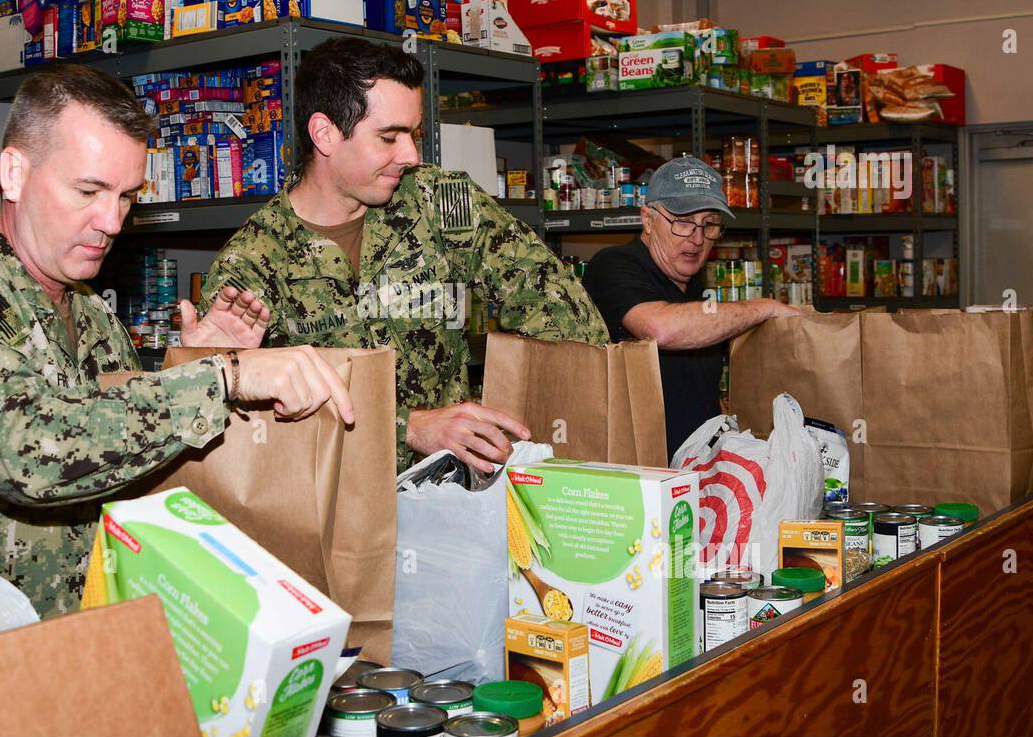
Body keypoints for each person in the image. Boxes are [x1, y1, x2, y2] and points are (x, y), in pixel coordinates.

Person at [0, 63, 354, 616]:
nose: (112, 221)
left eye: (126, 196)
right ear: (13, 174)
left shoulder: (91, 313)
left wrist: (196, 360)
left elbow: (121, 450)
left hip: (88, 645)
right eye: (88, 190)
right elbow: (30, 456)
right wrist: (223, 378)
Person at [201, 37, 608, 473]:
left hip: (455, 495)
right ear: (324, 133)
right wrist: (407, 428)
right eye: (388, 137)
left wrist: (531, 426)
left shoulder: (441, 202)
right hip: (330, 509)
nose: (411, 155)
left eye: (412, 134)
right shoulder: (251, 265)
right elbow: (243, 430)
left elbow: (555, 303)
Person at [582, 157, 812, 460]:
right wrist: (765, 307)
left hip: (703, 470)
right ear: (648, 220)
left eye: (709, 224)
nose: (698, 238)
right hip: (643, 471)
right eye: (683, 222)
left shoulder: (692, 284)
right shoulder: (614, 265)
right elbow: (660, 328)